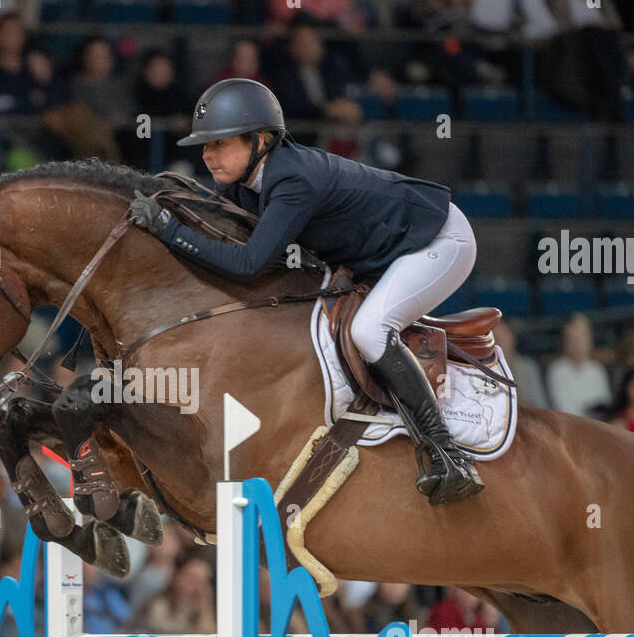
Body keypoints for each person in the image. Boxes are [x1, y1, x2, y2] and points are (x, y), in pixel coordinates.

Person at [127, 78, 482, 505]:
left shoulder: (294, 179)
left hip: (439, 240)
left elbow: (246, 265)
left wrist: (168, 231)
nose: (206, 154)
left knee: (369, 330)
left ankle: (447, 451)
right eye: (205, 145)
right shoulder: (244, 180)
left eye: (218, 143)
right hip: (386, 246)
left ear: (260, 140)